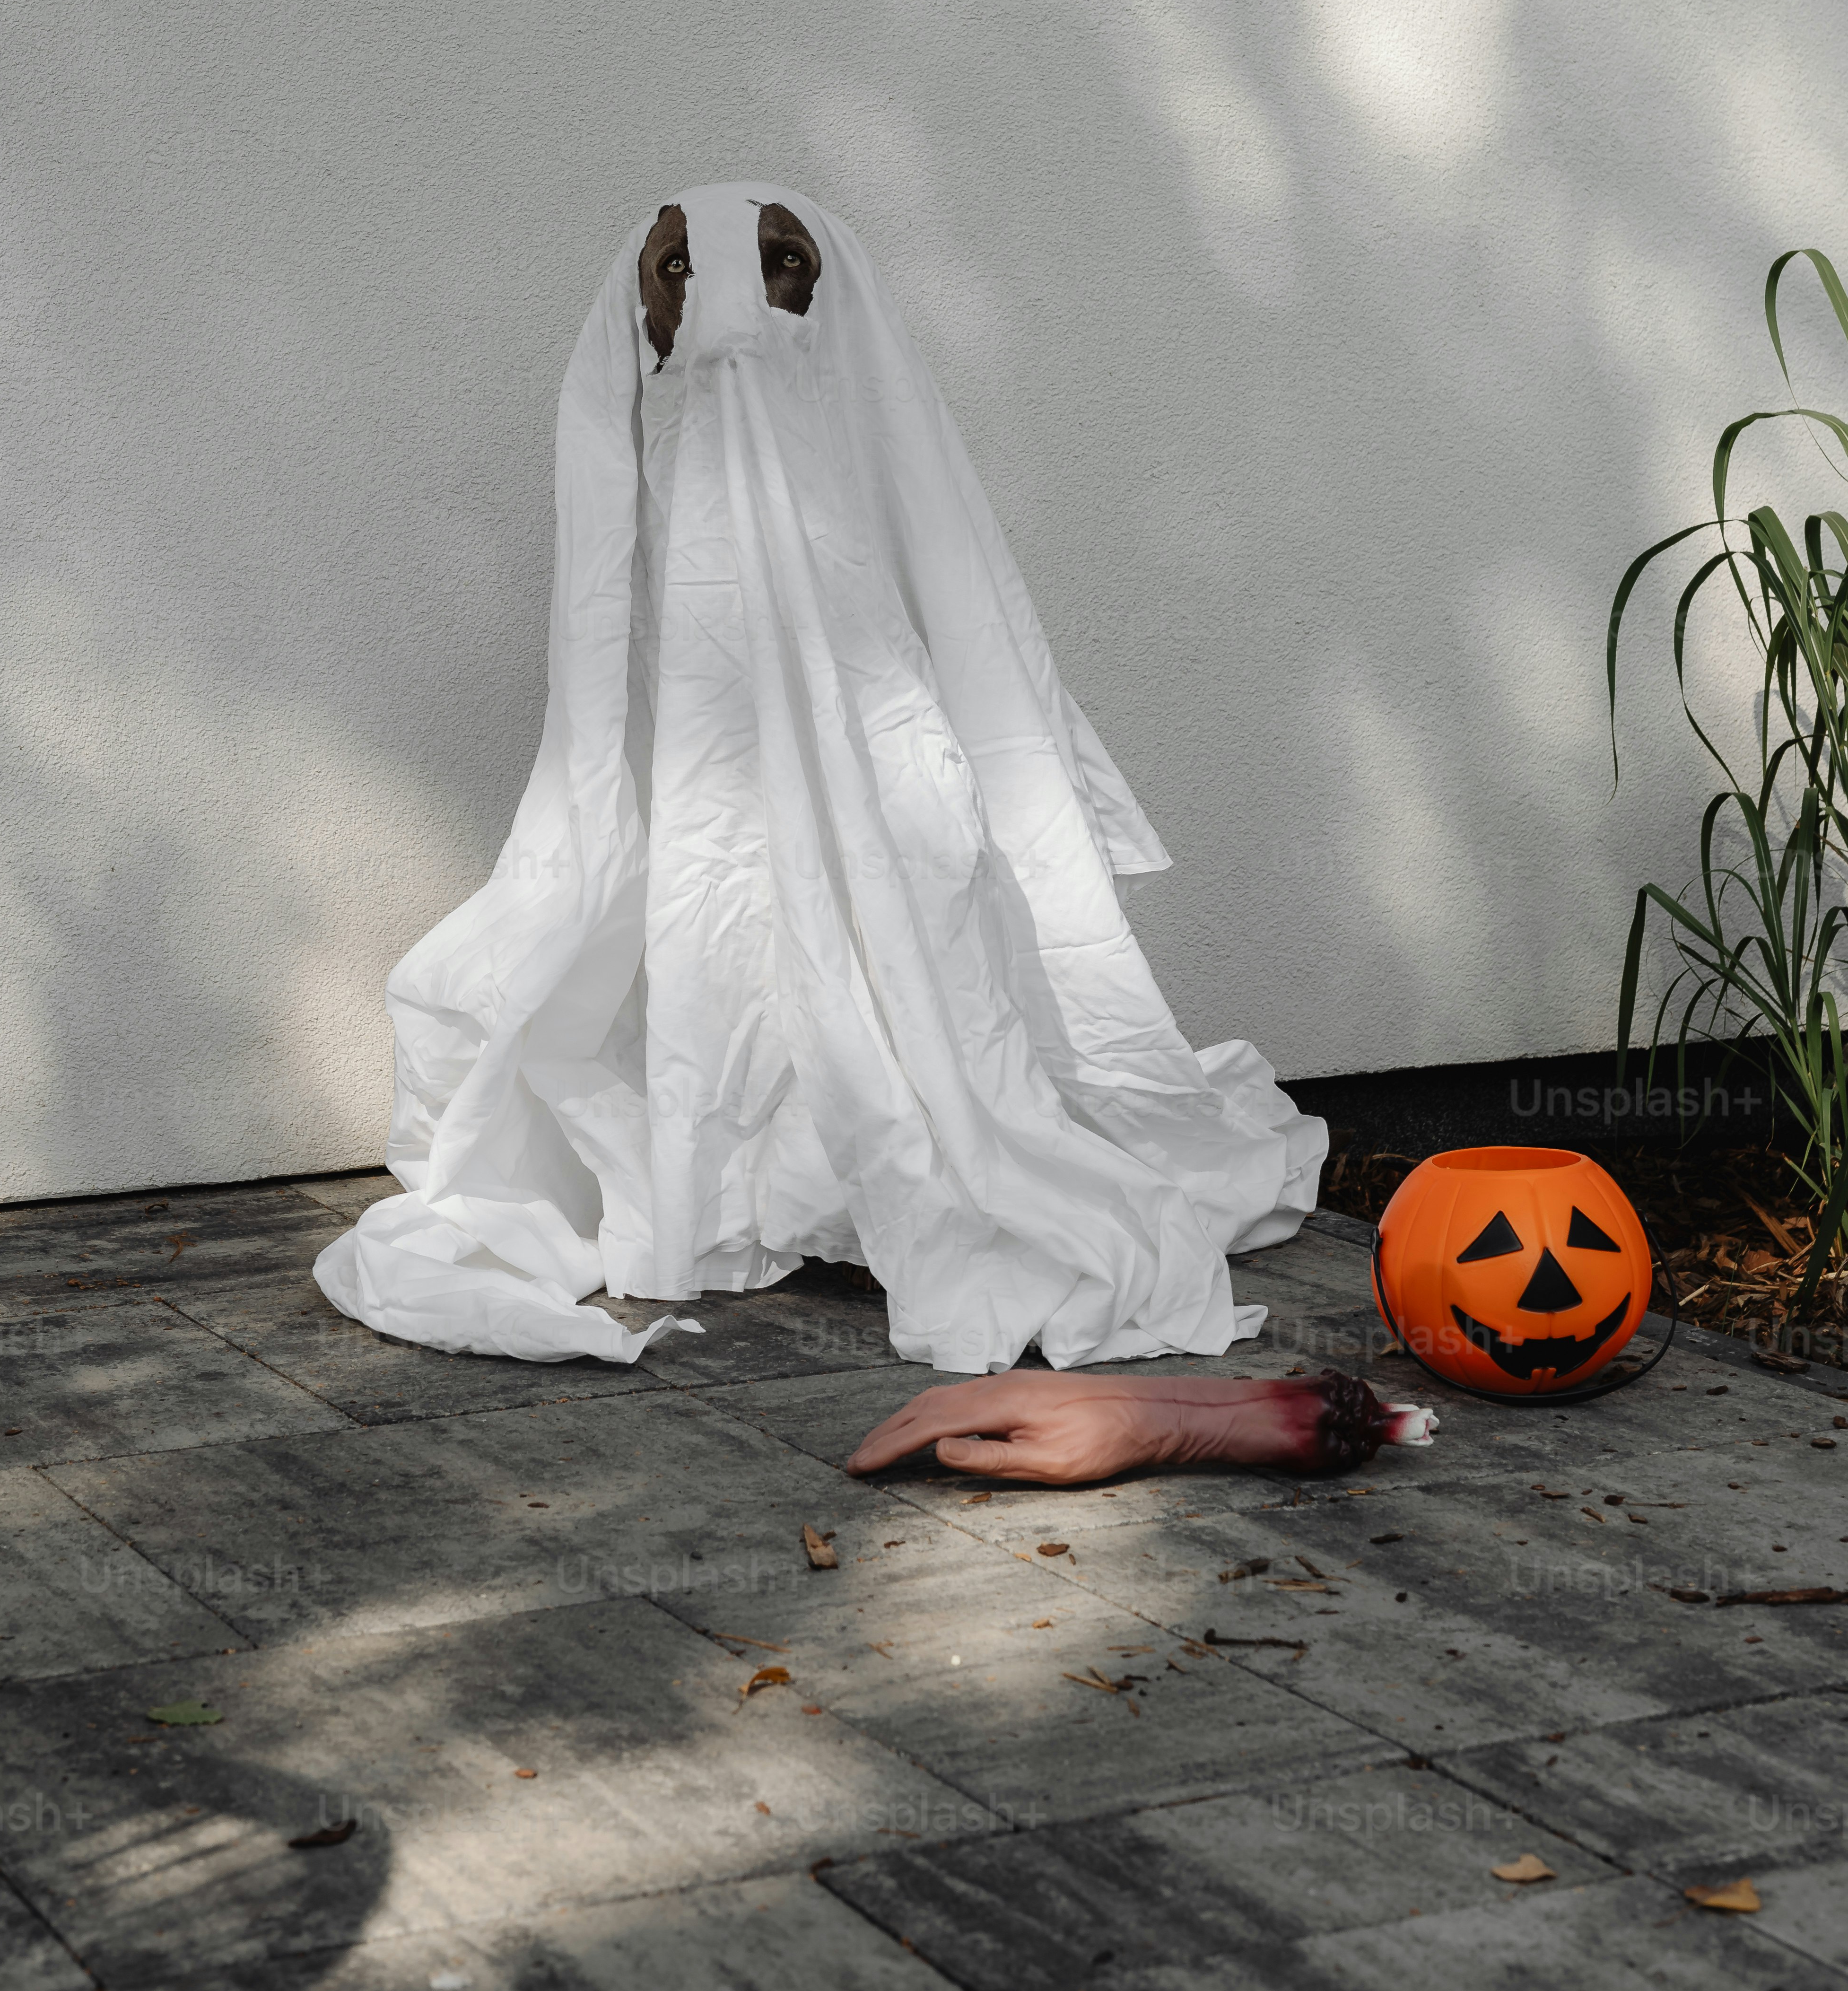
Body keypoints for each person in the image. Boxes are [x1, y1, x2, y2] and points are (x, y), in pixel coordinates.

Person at [314, 180, 1326, 1371]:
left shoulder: (843, 421)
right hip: (688, 683)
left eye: (778, 269)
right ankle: (725, 1165)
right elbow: (610, 604)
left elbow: (942, 580)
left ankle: (841, 1153)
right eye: (687, 274)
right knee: (700, 875)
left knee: (895, 903)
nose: (734, 303)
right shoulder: (652, 410)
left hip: (862, 689)